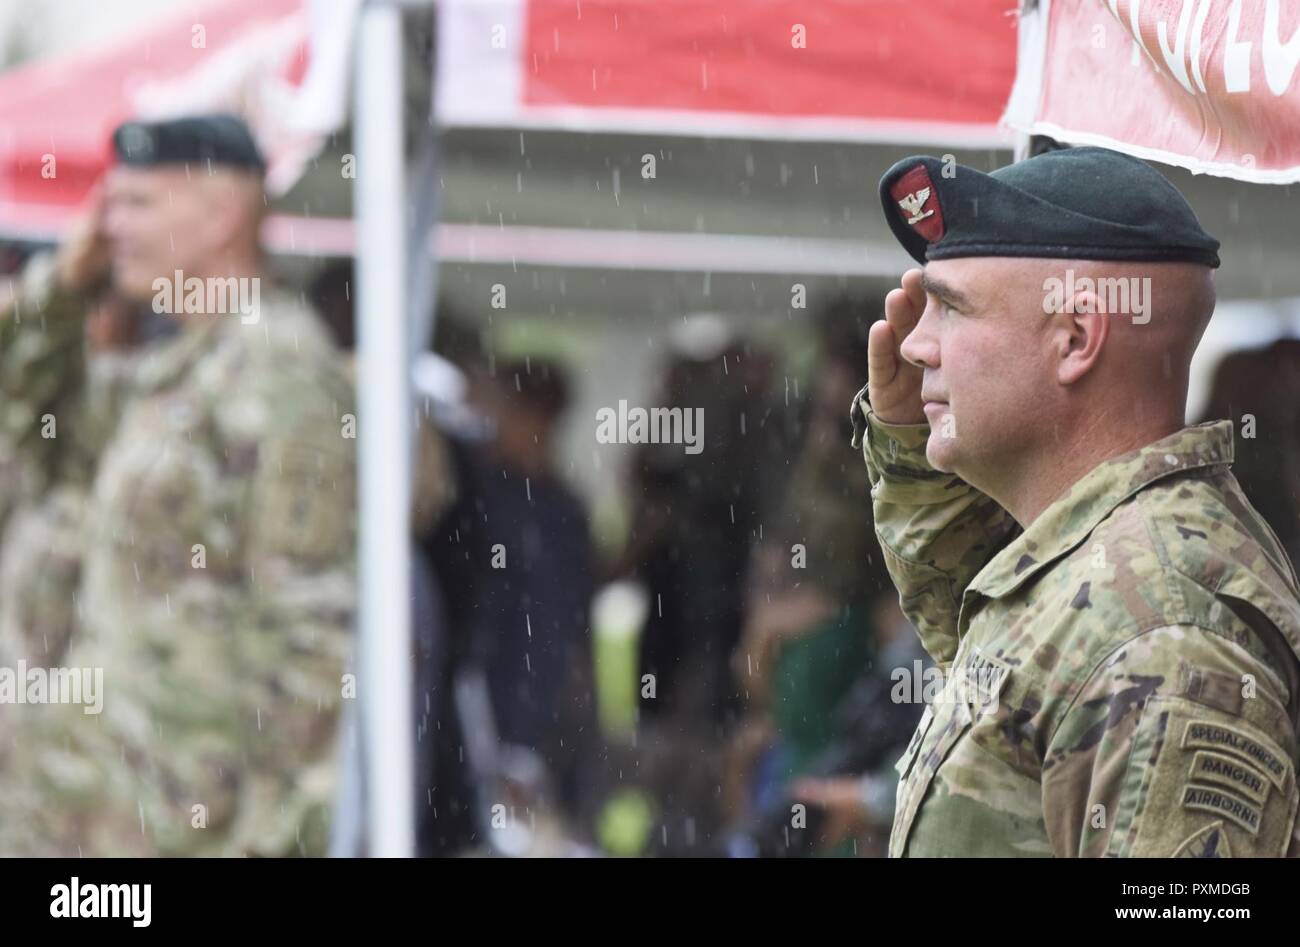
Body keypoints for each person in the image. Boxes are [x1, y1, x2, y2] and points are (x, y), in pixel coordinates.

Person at [853, 146, 1300, 857]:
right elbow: (1016, 668)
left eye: (950, 307)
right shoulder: (1108, 568)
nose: (915, 344)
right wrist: (916, 454)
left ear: (1076, 337)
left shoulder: (1165, 633)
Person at [0, 115, 356, 856]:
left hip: (181, 826)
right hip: (86, 822)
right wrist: (62, 290)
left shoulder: (278, 370)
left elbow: (311, 635)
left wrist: (274, 836)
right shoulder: (169, 373)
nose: (111, 227)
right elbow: (23, 420)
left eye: (140, 204)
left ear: (224, 213)